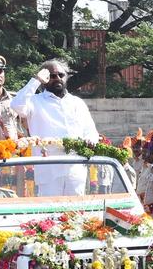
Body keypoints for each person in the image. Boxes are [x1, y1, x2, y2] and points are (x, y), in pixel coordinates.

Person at [10, 59, 100, 195]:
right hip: (49, 171)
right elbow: (16, 105)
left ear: (66, 77)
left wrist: (91, 140)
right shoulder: (35, 101)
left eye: (60, 75)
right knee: (50, 214)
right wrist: (36, 80)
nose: (57, 78)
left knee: (76, 213)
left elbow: (90, 131)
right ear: (44, 79)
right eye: (52, 76)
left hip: (75, 169)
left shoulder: (77, 103)